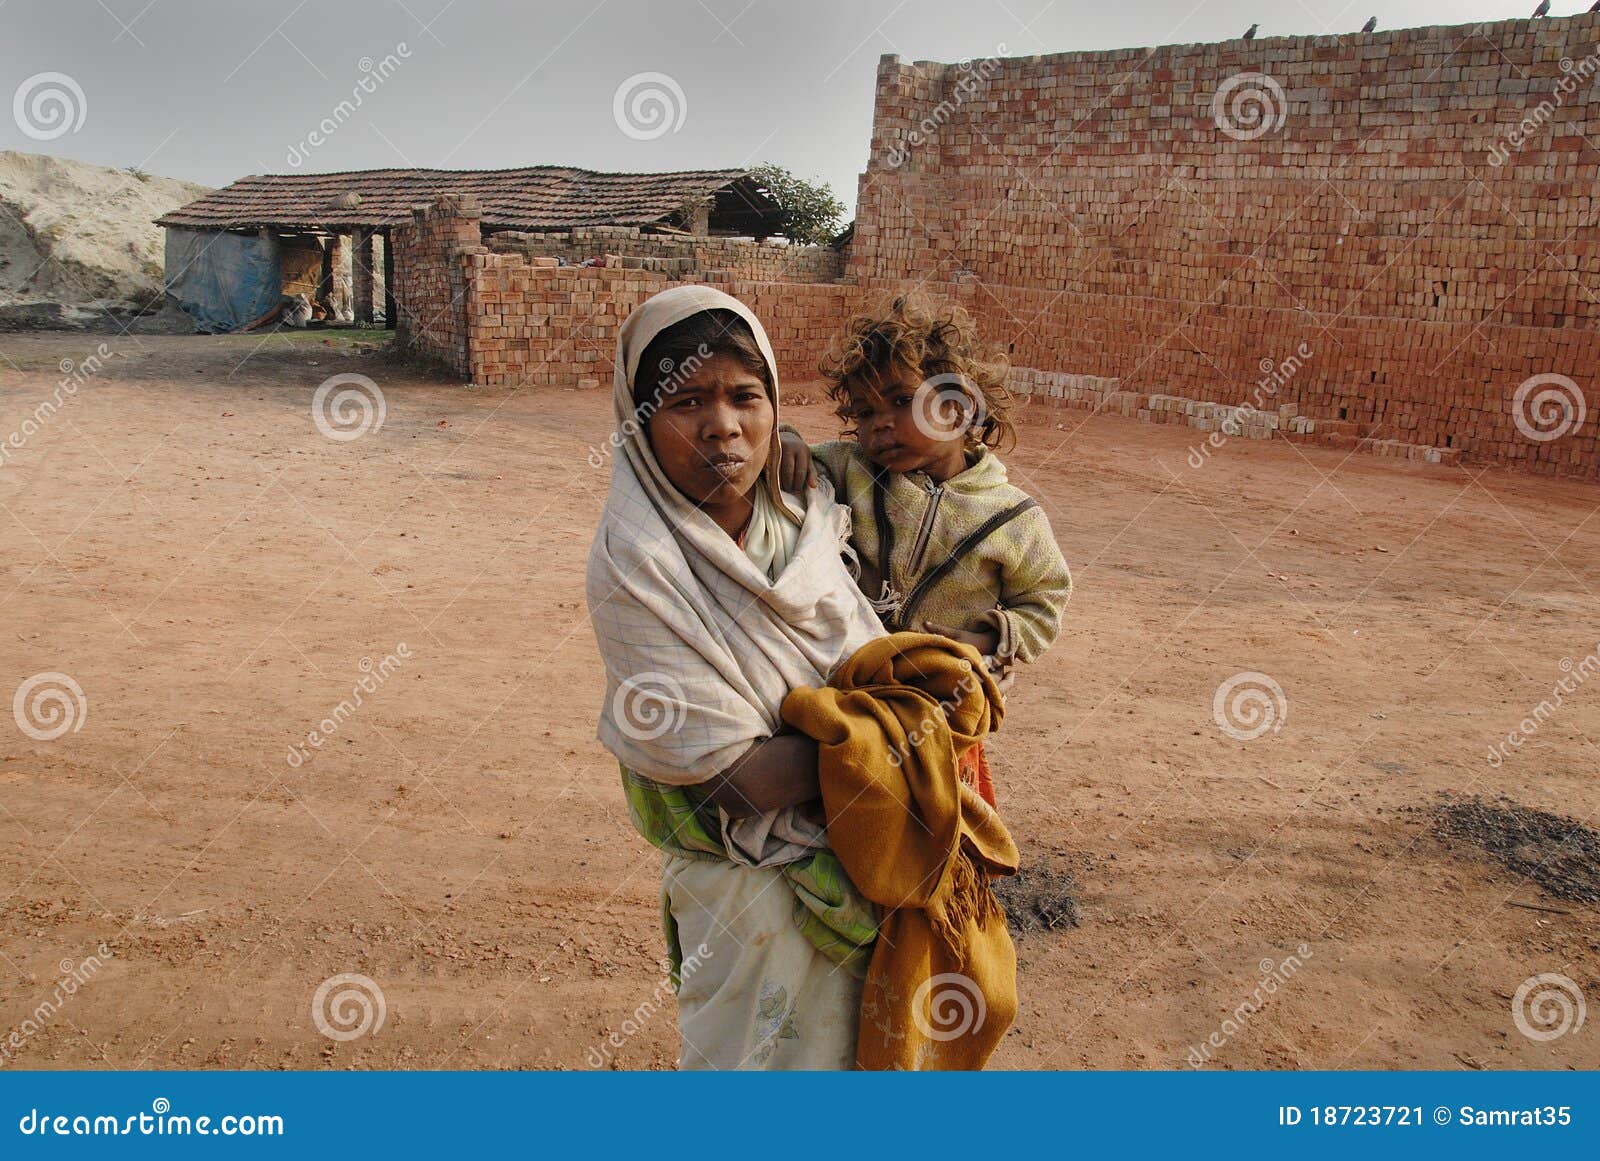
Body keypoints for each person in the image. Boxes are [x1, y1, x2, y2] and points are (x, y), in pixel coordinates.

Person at [586, 285, 885, 1069]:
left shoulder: (804, 507)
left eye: (745, 397)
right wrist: (902, 737)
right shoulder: (638, 560)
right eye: (686, 400)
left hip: (863, 857)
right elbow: (741, 781)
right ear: (639, 421)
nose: (723, 424)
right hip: (740, 883)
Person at [779, 292, 1072, 806]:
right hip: (851, 695)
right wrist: (787, 437)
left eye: (899, 400)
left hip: (943, 708)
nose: (880, 425)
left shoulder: (1013, 518)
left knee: (938, 825)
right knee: (849, 812)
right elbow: (790, 456)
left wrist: (987, 640)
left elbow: (1044, 602)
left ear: (956, 407)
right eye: (865, 412)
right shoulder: (851, 470)